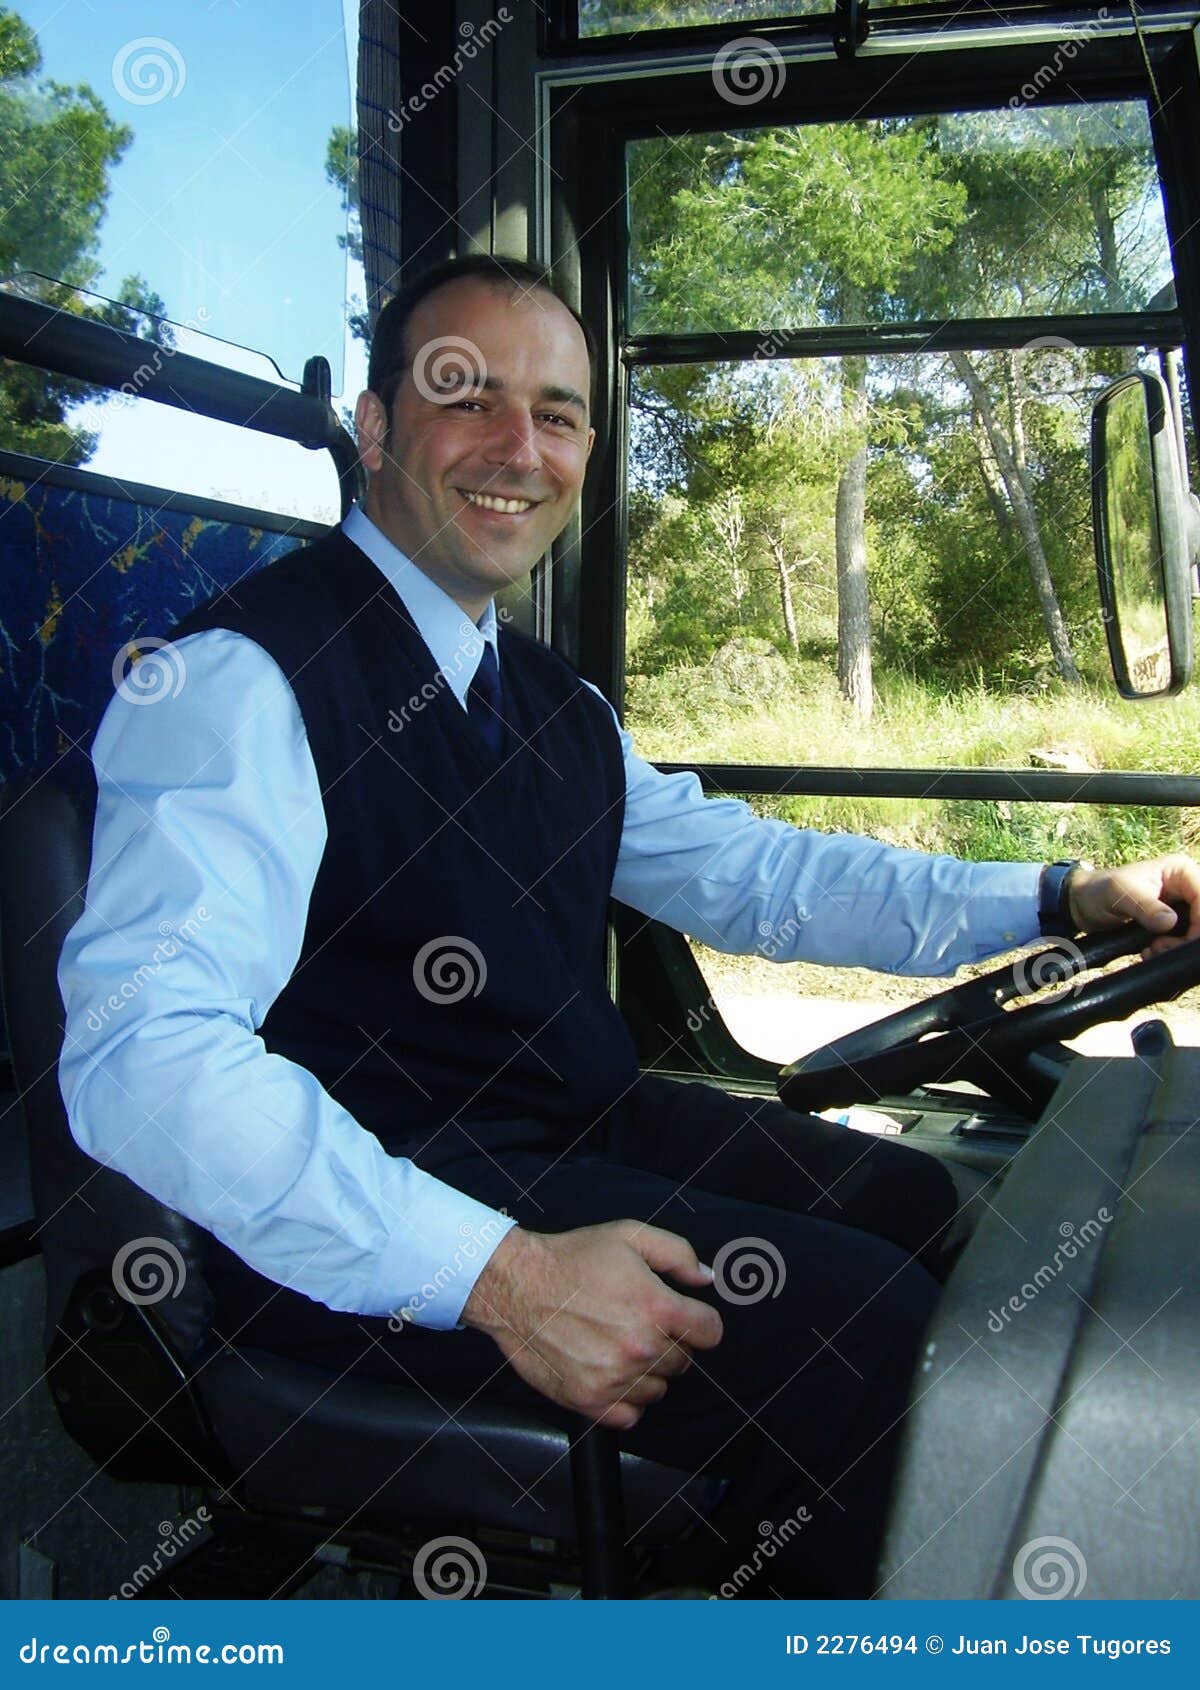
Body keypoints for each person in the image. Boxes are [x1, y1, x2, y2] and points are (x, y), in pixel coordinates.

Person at [58, 254, 1200, 1597]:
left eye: (558, 414)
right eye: (465, 396)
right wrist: (502, 1277)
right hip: (355, 1218)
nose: (518, 449)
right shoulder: (241, 681)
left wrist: (1053, 895)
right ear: (374, 429)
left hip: (558, 1131)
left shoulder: (554, 707)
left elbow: (761, 878)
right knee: (869, 1343)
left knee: (913, 1203)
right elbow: (144, 1055)